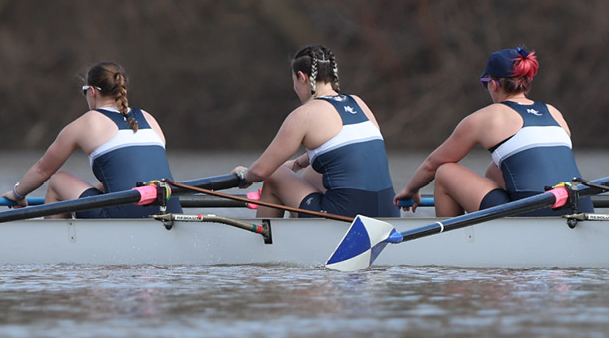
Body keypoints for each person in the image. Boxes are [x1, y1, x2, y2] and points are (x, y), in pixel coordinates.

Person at [398, 47, 588, 217]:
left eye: (484, 83)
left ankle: (453, 250)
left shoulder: (488, 117)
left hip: (535, 212)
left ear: (494, 83)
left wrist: (410, 190)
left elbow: (432, 164)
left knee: (444, 172)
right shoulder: (554, 113)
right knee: (494, 169)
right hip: (581, 204)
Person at [0, 62, 183, 218]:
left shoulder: (88, 122)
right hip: (169, 210)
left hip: (125, 216)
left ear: (92, 91)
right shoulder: (149, 118)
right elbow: (135, 173)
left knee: (57, 181)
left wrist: (17, 194)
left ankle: (55, 254)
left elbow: (42, 170)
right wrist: (95, 191)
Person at [233, 45, 396, 218]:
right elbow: (350, 151)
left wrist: (245, 174)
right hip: (389, 211)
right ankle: (300, 232)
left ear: (302, 77)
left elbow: (261, 171)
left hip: (347, 214)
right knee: (312, 173)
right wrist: (297, 164)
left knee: (275, 176)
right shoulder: (358, 103)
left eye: (294, 81)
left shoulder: (304, 115)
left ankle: (265, 244)